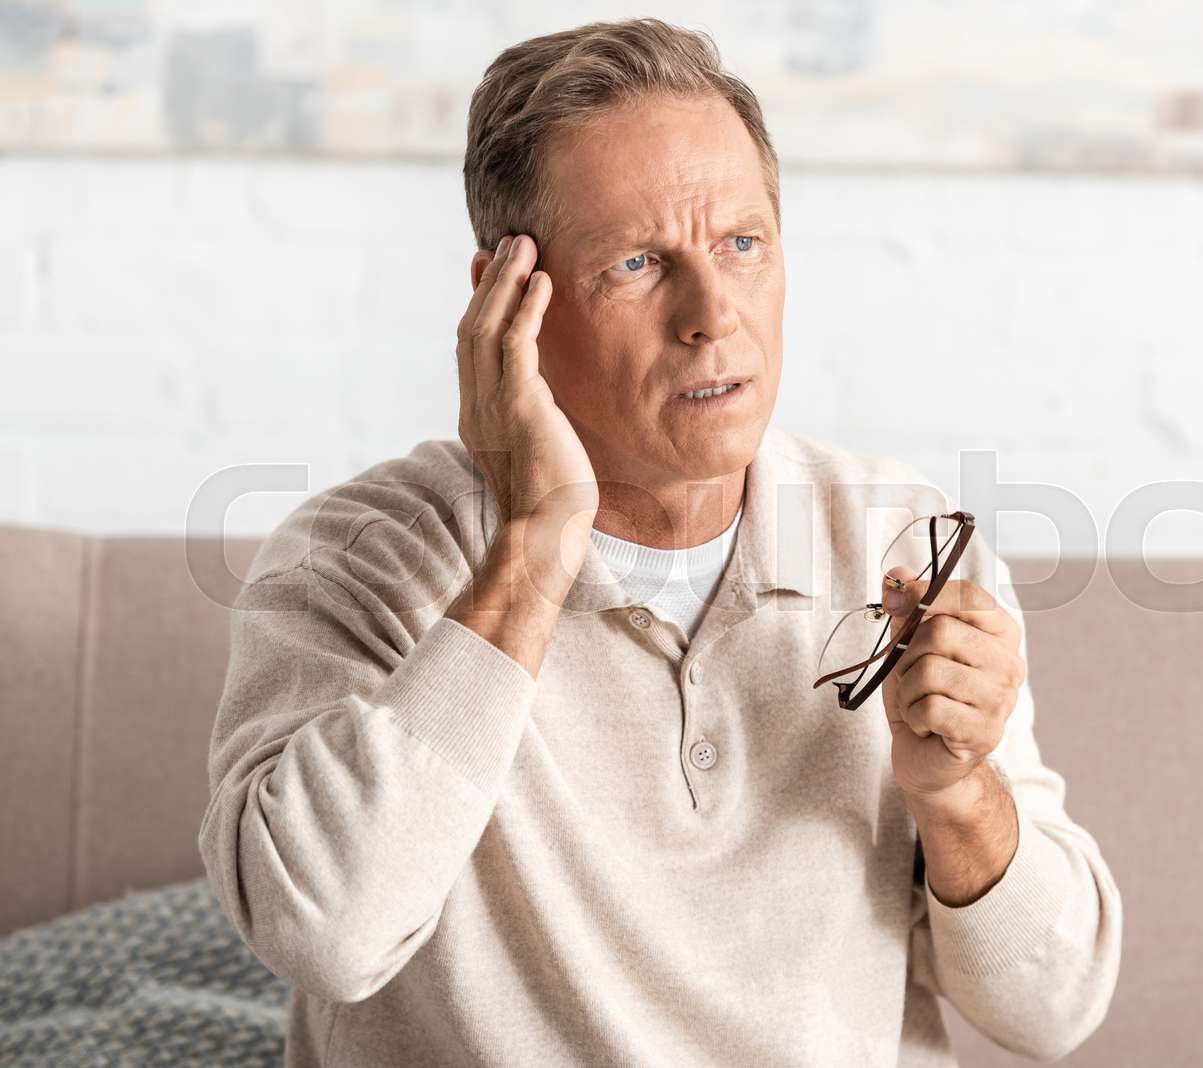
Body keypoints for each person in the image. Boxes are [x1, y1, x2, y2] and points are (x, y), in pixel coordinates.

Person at [198, 17, 1121, 1067]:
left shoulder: (901, 541)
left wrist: (956, 795)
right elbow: (323, 934)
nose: (712, 313)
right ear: (510, 302)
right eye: (637, 263)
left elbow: (1055, 1010)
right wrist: (537, 543)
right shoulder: (354, 559)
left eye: (742, 244)